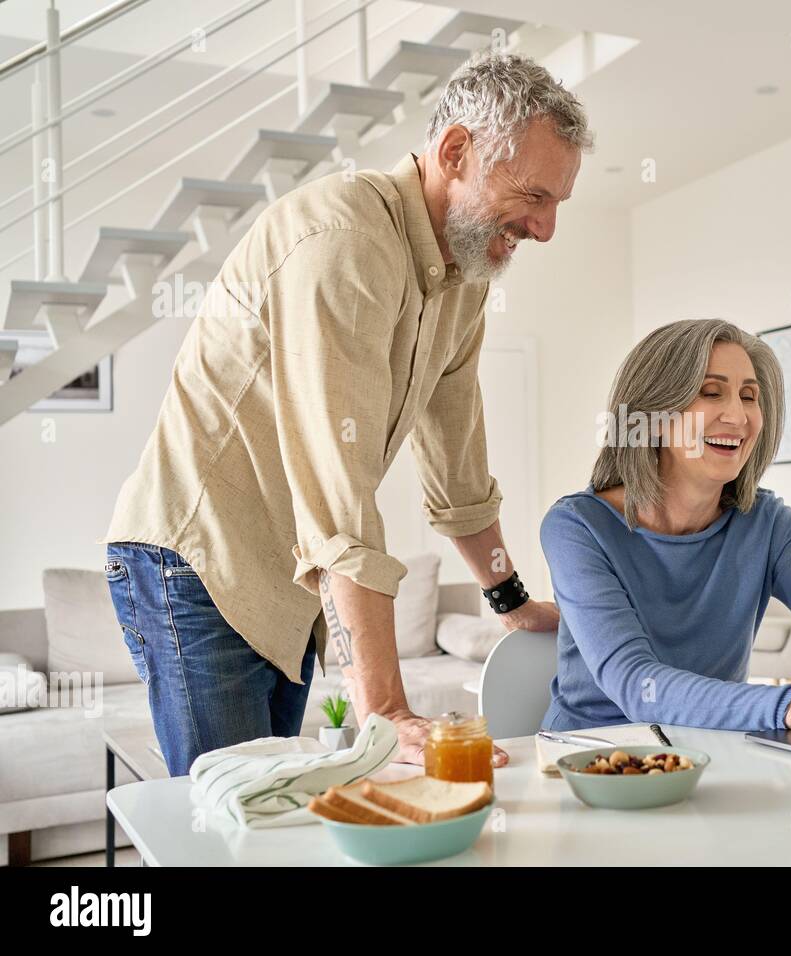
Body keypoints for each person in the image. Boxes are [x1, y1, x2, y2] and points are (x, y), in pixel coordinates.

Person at [101, 52, 589, 776]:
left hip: (293, 578)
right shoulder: (345, 243)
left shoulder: (464, 281)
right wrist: (385, 708)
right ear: (456, 152)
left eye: (557, 204)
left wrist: (510, 602)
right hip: (199, 564)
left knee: (276, 807)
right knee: (232, 811)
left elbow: (457, 469)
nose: (545, 228)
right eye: (534, 195)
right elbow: (338, 492)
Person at [540, 319, 791, 733]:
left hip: (710, 750)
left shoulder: (766, 523)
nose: (738, 415)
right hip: (588, 754)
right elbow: (638, 684)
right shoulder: (577, 527)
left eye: (749, 396)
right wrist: (787, 703)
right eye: (712, 393)